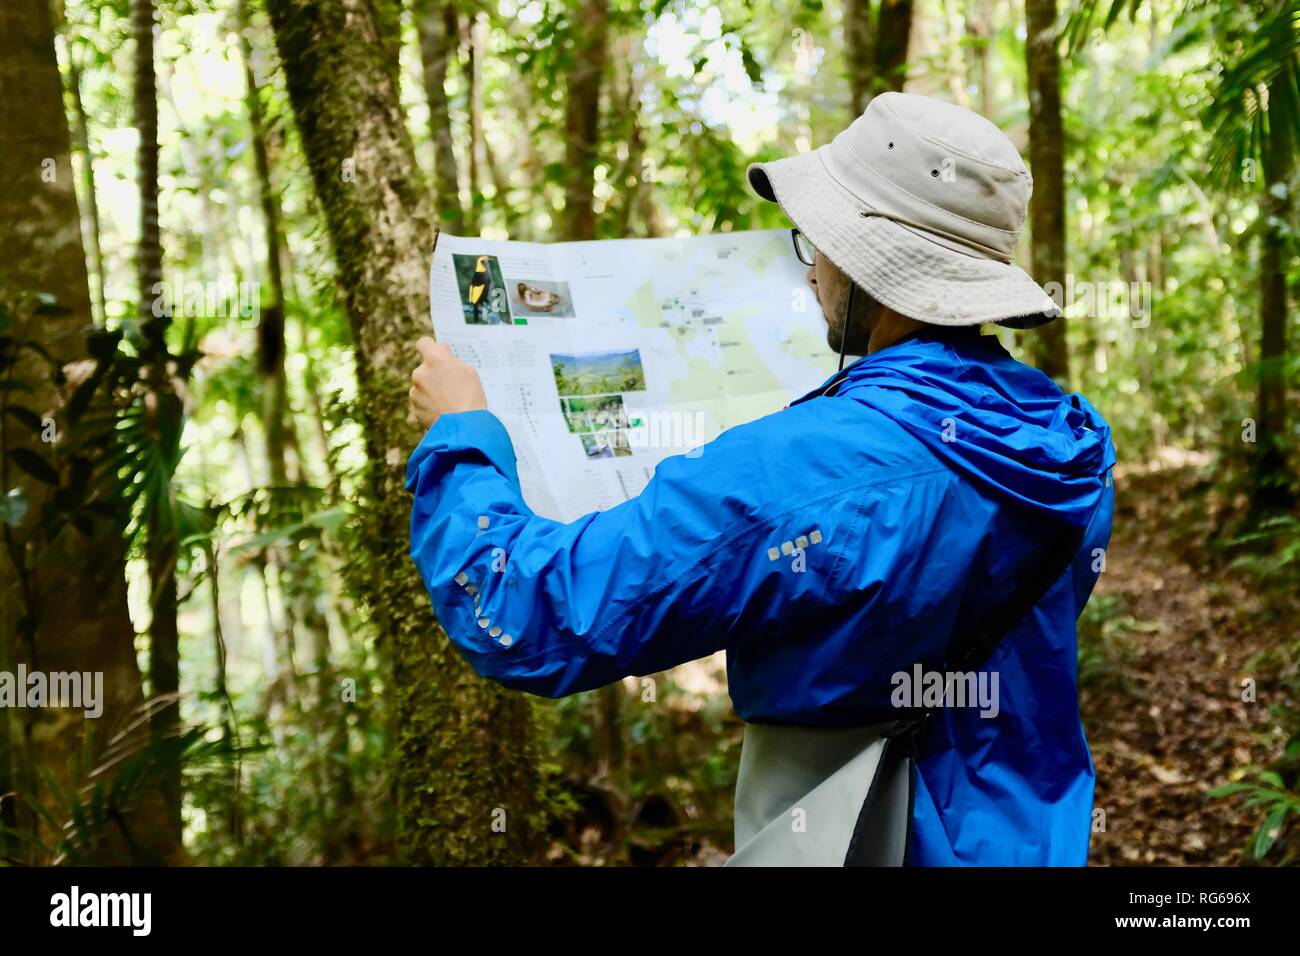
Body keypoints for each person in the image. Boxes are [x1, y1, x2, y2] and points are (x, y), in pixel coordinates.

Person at [405, 92, 1116, 866]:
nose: (811, 272)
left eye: (819, 243)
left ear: (872, 263)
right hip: (1029, 837)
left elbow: (525, 610)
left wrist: (463, 432)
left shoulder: (796, 471)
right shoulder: (1068, 444)